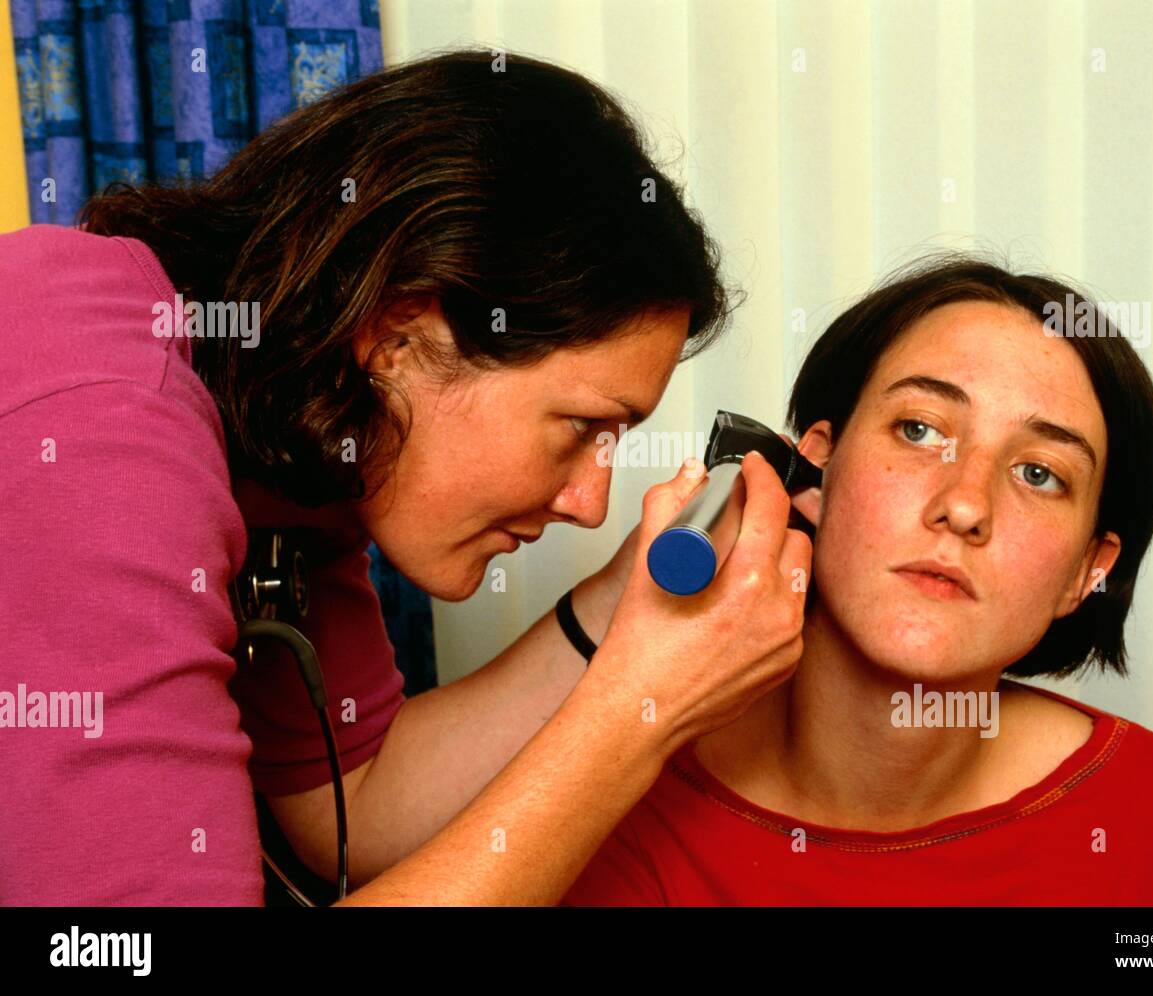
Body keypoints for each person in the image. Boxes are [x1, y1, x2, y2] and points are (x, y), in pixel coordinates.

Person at [0, 49, 811, 906]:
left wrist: (618, 609)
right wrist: (640, 713)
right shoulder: (98, 422)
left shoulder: (312, 451)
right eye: (583, 429)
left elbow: (354, 802)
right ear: (396, 335)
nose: (592, 501)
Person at [561, 255, 1153, 906]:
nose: (966, 505)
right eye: (918, 430)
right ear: (816, 473)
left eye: (1039, 473)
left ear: (1088, 571)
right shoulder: (626, 783)